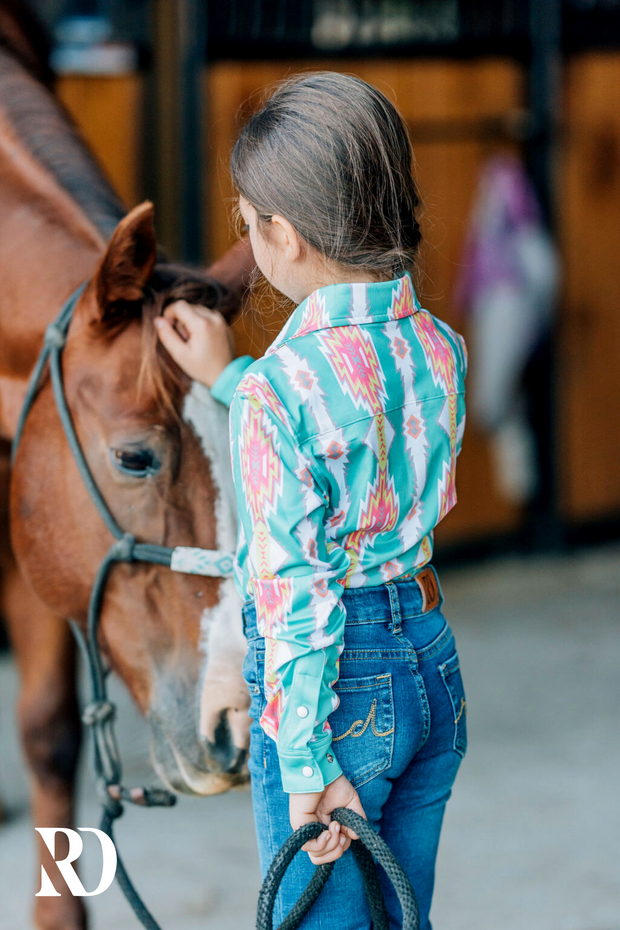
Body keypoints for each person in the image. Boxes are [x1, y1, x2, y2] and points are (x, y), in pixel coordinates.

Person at [155, 71, 468, 930]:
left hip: (337, 692)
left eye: (247, 223)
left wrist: (303, 759)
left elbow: (298, 593)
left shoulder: (279, 398)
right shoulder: (440, 348)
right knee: (403, 915)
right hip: (431, 663)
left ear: (281, 235)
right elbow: (354, 426)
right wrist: (229, 376)